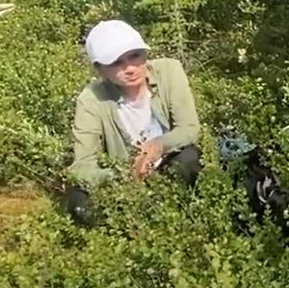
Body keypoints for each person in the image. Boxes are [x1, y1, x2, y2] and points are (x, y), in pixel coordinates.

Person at [63, 19, 203, 223]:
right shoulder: (91, 99)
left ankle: (171, 217)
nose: (130, 68)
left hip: (169, 166)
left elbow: (189, 128)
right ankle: (128, 222)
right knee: (78, 202)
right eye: (116, 63)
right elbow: (82, 166)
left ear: (145, 53)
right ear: (99, 69)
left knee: (189, 158)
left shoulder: (169, 71)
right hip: (125, 181)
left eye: (135, 56)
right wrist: (121, 175)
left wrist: (159, 145)